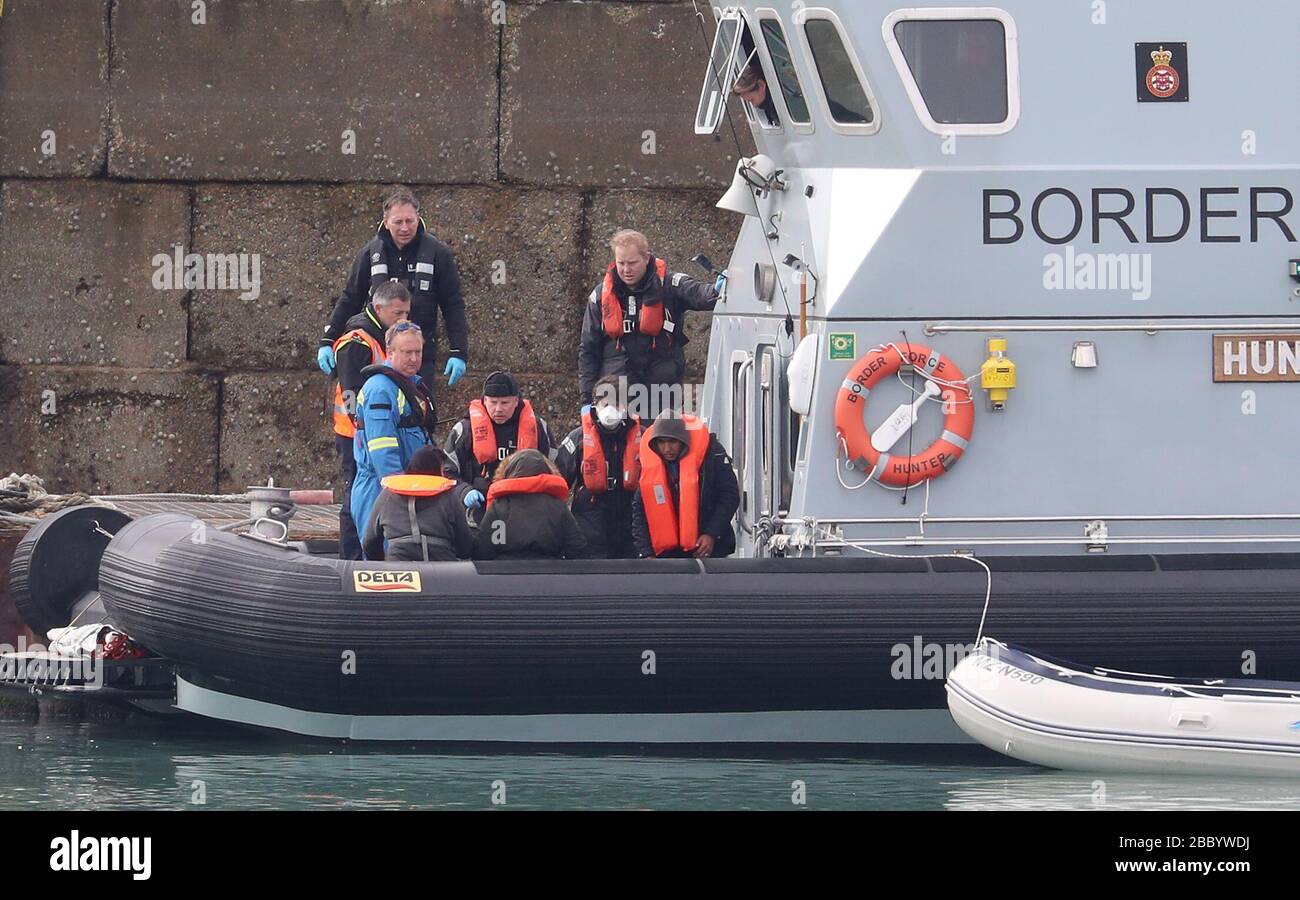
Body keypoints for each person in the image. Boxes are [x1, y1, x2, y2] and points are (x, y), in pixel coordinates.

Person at [317, 186, 469, 426]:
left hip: (420, 354)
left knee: (420, 419)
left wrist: (458, 350)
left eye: (410, 221)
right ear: (386, 222)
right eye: (398, 222)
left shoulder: (437, 254)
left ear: (419, 218)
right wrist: (328, 340)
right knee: (379, 417)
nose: (405, 228)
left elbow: (453, 304)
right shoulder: (370, 253)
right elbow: (350, 297)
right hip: (378, 354)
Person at [578, 229, 722, 424]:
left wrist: (716, 290)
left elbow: (698, 293)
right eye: (621, 263)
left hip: (661, 393)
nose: (626, 270)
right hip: (615, 395)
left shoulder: (670, 285)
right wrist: (587, 400)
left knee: (661, 446)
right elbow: (588, 350)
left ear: (646, 258)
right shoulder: (600, 297)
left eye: (632, 263)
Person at [329, 281, 411, 559]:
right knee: (355, 496)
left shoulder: (379, 336)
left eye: (406, 314)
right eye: (397, 314)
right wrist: (364, 428)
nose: (403, 320)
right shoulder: (357, 342)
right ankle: (350, 557)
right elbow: (351, 393)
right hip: (355, 433)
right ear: (379, 308)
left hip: (369, 430)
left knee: (366, 495)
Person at [350, 322, 436, 548]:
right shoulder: (380, 389)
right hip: (381, 489)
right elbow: (382, 449)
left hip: (406, 485)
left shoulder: (409, 385)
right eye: (407, 352)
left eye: (418, 352)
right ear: (390, 352)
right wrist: (398, 493)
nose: (414, 358)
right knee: (385, 557)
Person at [631, 410, 739, 559]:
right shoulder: (650, 465)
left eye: (672, 442)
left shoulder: (712, 455)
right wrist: (646, 553)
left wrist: (712, 534)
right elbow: (640, 511)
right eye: (661, 442)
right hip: (667, 556)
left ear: (683, 441)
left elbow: (730, 496)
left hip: (708, 551)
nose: (667, 448)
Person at [444, 371, 558, 512]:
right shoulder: (464, 430)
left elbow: (555, 470)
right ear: (484, 400)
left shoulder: (538, 428)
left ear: (516, 401)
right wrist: (464, 492)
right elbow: (447, 472)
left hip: (525, 509)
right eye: (493, 402)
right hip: (479, 509)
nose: (498, 409)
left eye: (504, 403)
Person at [555, 374, 641, 559]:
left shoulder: (642, 437)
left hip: (630, 524)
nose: (610, 410)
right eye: (605, 404)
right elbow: (557, 482)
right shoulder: (578, 439)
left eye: (617, 405)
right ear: (595, 405)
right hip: (590, 524)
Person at [361, 445, 474, 562]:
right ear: (437, 469)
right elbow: (465, 547)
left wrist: (380, 565)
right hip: (442, 571)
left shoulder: (387, 496)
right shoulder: (449, 497)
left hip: (399, 572)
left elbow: (369, 543)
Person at [474, 450, 590, 561]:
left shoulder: (499, 507)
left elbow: (484, 550)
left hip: (506, 576)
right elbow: (577, 549)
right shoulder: (558, 507)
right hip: (551, 575)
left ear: (508, 473)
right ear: (548, 472)